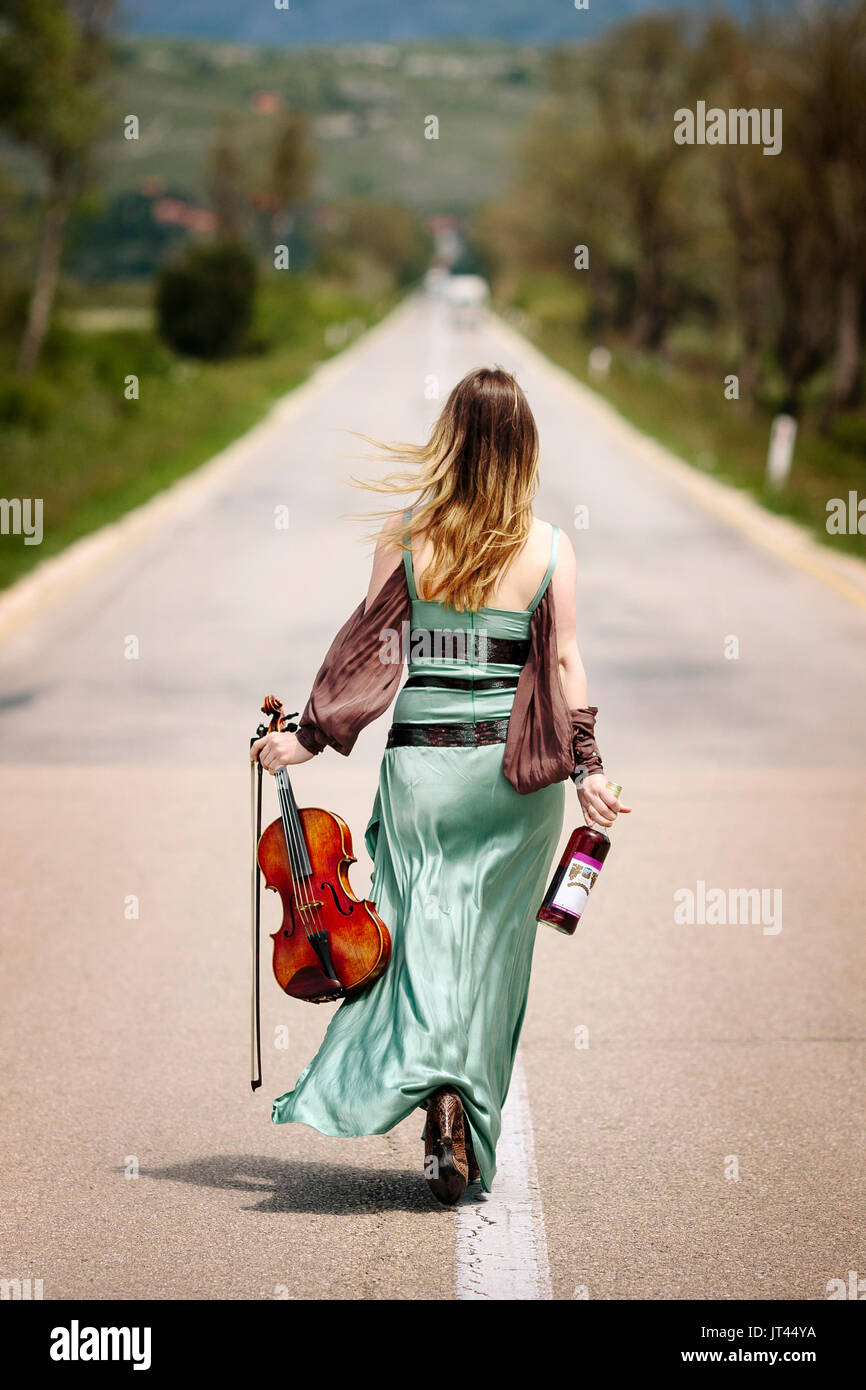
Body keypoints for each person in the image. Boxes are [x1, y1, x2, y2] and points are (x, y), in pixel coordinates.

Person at [250, 366, 630, 1205]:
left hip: (423, 771)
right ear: (524, 449)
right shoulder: (552, 547)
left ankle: (436, 1091)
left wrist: (305, 740)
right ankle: (462, 1095)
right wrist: (591, 767)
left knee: (421, 941)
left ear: (452, 440)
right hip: (514, 784)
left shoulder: (406, 535)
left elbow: (369, 654)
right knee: (490, 956)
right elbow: (565, 664)